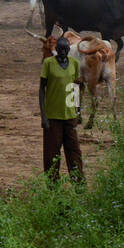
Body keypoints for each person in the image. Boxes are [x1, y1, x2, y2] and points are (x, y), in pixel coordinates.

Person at [39, 35, 85, 184]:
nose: (63, 52)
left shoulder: (75, 64)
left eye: (66, 49)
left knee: (74, 152)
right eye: (61, 49)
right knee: (52, 153)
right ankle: (53, 187)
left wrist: (78, 110)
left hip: (70, 116)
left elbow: (76, 87)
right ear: (56, 50)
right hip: (53, 117)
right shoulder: (48, 63)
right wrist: (43, 116)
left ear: (68, 50)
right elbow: (41, 89)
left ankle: (78, 185)